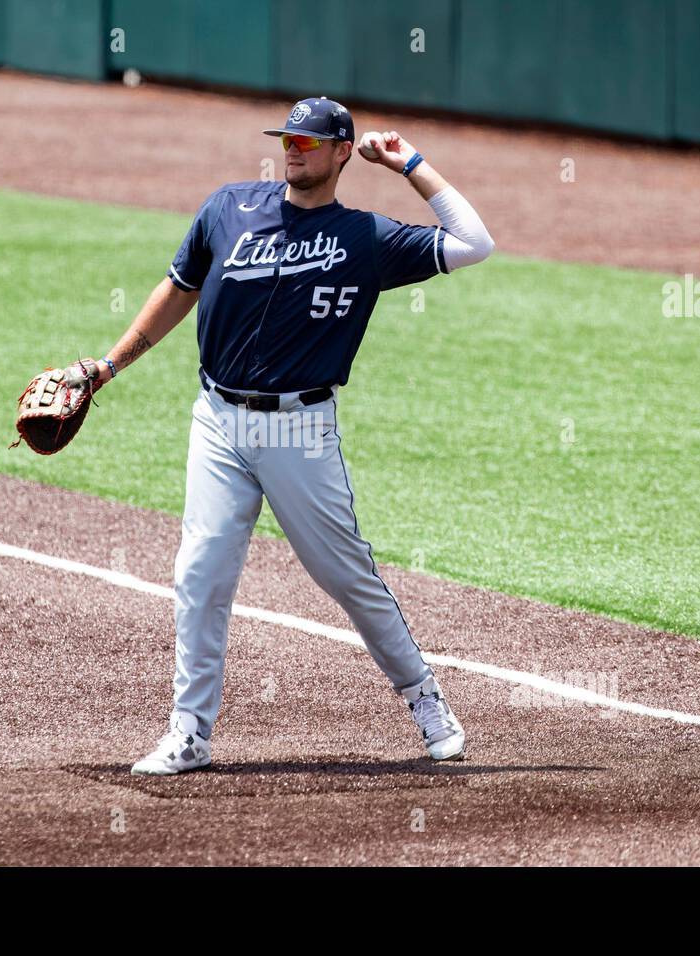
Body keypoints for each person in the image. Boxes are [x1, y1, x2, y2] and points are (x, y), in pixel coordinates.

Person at [76, 98, 495, 775]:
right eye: (288, 139)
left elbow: (476, 243)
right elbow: (179, 288)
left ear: (340, 152)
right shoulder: (229, 207)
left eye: (308, 141)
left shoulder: (368, 238)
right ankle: (189, 732)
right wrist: (107, 365)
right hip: (216, 419)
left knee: (346, 577)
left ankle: (425, 699)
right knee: (200, 572)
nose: (293, 149)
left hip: (301, 429)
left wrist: (410, 163)